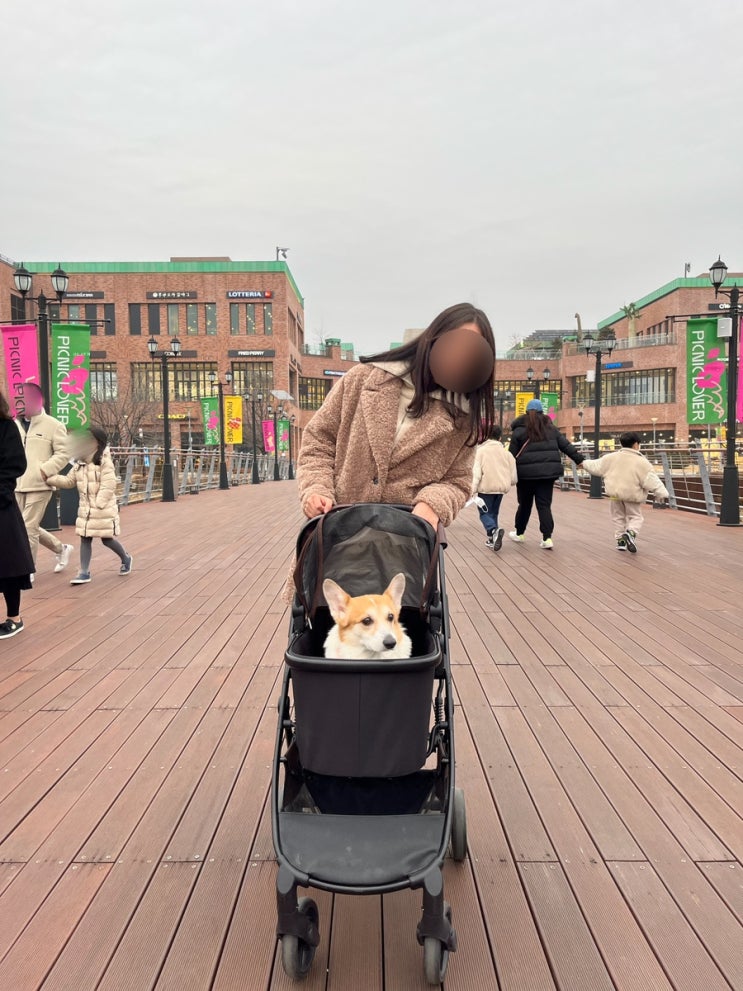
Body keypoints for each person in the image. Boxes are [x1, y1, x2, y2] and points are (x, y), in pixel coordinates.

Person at [293, 303, 496, 587]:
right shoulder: (363, 379)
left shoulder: (461, 418)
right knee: (322, 611)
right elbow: (319, 440)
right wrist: (316, 489)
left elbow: (459, 481)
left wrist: (433, 504)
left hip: (403, 553)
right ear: (433, 339)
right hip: (336, 539)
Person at [43, 426, 133, 584]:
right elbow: (69, 481)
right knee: (85, 538)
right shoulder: (80, 464)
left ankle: (126, 558)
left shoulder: (104, 461)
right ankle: (84, 572)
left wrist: (99, 503)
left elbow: (109, 484)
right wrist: (49, 478)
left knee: (106, 539)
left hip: (102, 508)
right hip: (85, 509)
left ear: (97, 442)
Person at [14, 382, 74, 577]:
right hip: (15, 484)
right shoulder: (13, 424)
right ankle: (61, 548)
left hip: (40, 484)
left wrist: (45, 470)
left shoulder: (54, 425)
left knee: (28, 527)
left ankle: (27, 570)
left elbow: (64, 453)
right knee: (23, 526)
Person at [508, 398, 585, 549]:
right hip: (547, 474)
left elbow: (511, 455)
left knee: (524, 504)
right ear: (542, 413)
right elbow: (566, 446)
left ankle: (519, 533)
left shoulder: (519, 431)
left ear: (526, 413)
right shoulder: (551, 429)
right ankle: (547, 538)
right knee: (544, 505)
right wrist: (579, 460)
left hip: (525, 475)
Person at [581, 431, 669, 552]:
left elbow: (595, 465)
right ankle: (630, 533)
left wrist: (583, 463)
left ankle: (621, 541)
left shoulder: (610, 458)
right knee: (636, 517)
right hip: (631, 495)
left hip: (614, 495)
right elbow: (651, 480)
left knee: (618, 517)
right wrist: (662, 493)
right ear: (636, 444)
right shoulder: (642, 462)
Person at [0, 391, 35, 638]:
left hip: (1, 504)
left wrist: (2, 491)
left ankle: (14, 617)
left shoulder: (6, 427)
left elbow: (15, 465)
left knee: (7, 563)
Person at [472, 424, 517, 550]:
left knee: (484, 513)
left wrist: (472, 489)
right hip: (501, 489)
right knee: (494, 513)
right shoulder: (507, 454)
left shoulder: (480, 452)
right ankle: (492, 538)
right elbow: (513, 477)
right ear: (499, 437)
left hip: (486, 488)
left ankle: (493, 530)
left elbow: (476, 473)